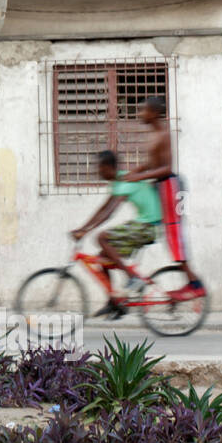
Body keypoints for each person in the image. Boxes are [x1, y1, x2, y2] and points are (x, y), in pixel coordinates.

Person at [120, 95, 205, 291]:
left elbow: (166, 168)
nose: (140, 113)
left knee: (174, 234)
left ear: (154, 113)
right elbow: (153, 163)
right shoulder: (154, 134)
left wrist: (139, 177)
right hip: (160, 187)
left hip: (170, 186)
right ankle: (134, 274)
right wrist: (136, 171)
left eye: (144, 110)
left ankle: (194, 283)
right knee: (155, 230)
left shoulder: (164, 134)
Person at [70, 150, 162, 318]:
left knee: (102, 237)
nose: (97, 172)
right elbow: (103, 209)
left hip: (148, 225)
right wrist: (82, 228)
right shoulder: (118, 182)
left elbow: (109, 212)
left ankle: (132, 277)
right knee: (102, 258)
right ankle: (114, 303)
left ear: (107, 167)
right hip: (144, 224)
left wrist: (86, 231)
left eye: (99, 168)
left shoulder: (124, 181)